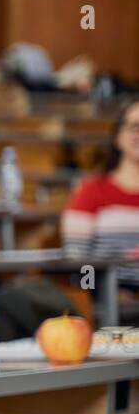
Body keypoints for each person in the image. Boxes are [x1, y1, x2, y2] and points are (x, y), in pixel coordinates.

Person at [63, 96, 139, 291]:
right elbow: (77, 263)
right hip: (111, 301)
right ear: (118, 137)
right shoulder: (90, 190)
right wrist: (103, 295)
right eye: (135, 127)